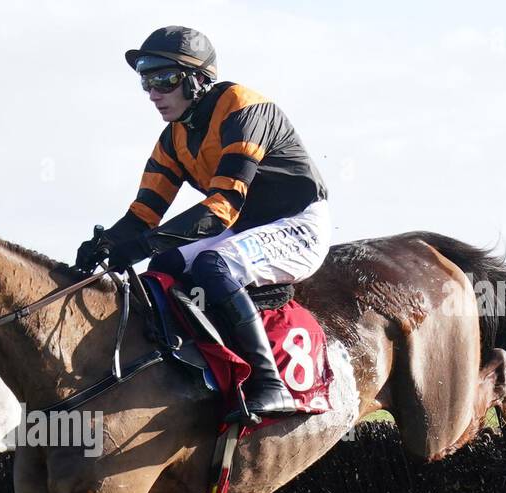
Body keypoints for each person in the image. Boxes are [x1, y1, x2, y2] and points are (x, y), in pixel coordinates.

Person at [75, 26, 331, 421]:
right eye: (146, 81)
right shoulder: (172, 138)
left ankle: (270, 384)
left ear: (198, 80)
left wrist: (143, 245)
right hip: (244, 229)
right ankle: (190, 368)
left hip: (298, 223)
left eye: (164, 79)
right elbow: (144, 214)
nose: (152, 93)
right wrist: (105, 244)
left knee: (213, 265)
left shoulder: (244, 107)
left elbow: (223, 207)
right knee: (163, 268)